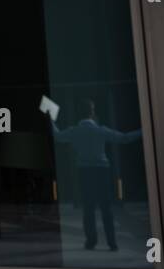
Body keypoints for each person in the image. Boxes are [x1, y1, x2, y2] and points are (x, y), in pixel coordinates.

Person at [49, 98, 142, 251]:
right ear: (92, 112)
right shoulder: (100, 130)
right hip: (102, 171)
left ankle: (91, 241)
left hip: (84, 171)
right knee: (106, 208)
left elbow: (58, 136)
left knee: (88, 207)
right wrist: (144, 130)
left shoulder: (74, 131)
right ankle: (112, 243)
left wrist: (50, 120)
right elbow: (124, 138)